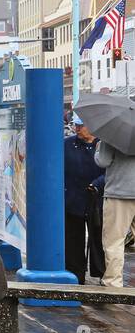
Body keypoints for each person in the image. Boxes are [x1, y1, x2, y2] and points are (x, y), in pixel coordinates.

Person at [64, 116, 105, 285]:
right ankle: (76, 274)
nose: (77, 129)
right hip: (73, 198)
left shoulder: (104, 145)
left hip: (97, 198)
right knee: (73, 239)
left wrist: (97, 184)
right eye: (76, 125)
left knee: (100, 237)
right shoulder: (67, 144)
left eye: (81, 126)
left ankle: (101, 272)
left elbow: (111, 170)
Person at [95, 136, 135, 288]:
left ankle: (113, 284)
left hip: (119, 193)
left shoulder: (112, 133)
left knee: (114, 241)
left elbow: (102, 161)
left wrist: (99, 149)